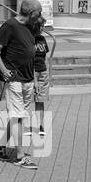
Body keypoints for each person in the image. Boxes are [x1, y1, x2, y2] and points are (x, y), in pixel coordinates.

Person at [0, 0, 42, 166]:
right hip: (14, 79)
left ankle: (1, 145)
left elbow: (29, 52)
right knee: (18, 117)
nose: (41, 16)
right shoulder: (10, 26)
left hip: (27, 78)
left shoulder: (30, 26)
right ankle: (20, 156)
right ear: (32, 13)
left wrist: (35, 79)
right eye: (39, 13)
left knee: (18, 117)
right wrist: (4, 71)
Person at [28, 10, 56, 143]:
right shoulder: (29, 39)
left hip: (42, 72)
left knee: (40, 100)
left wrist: (48, 75)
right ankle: (26, 125)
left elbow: (45, 57)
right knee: (28, 100)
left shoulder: (42, 39)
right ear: (35, 26)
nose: (43, 29)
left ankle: (40, 125)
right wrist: (34, 79)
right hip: (32, 72)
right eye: (41, 26)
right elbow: (30, 61)